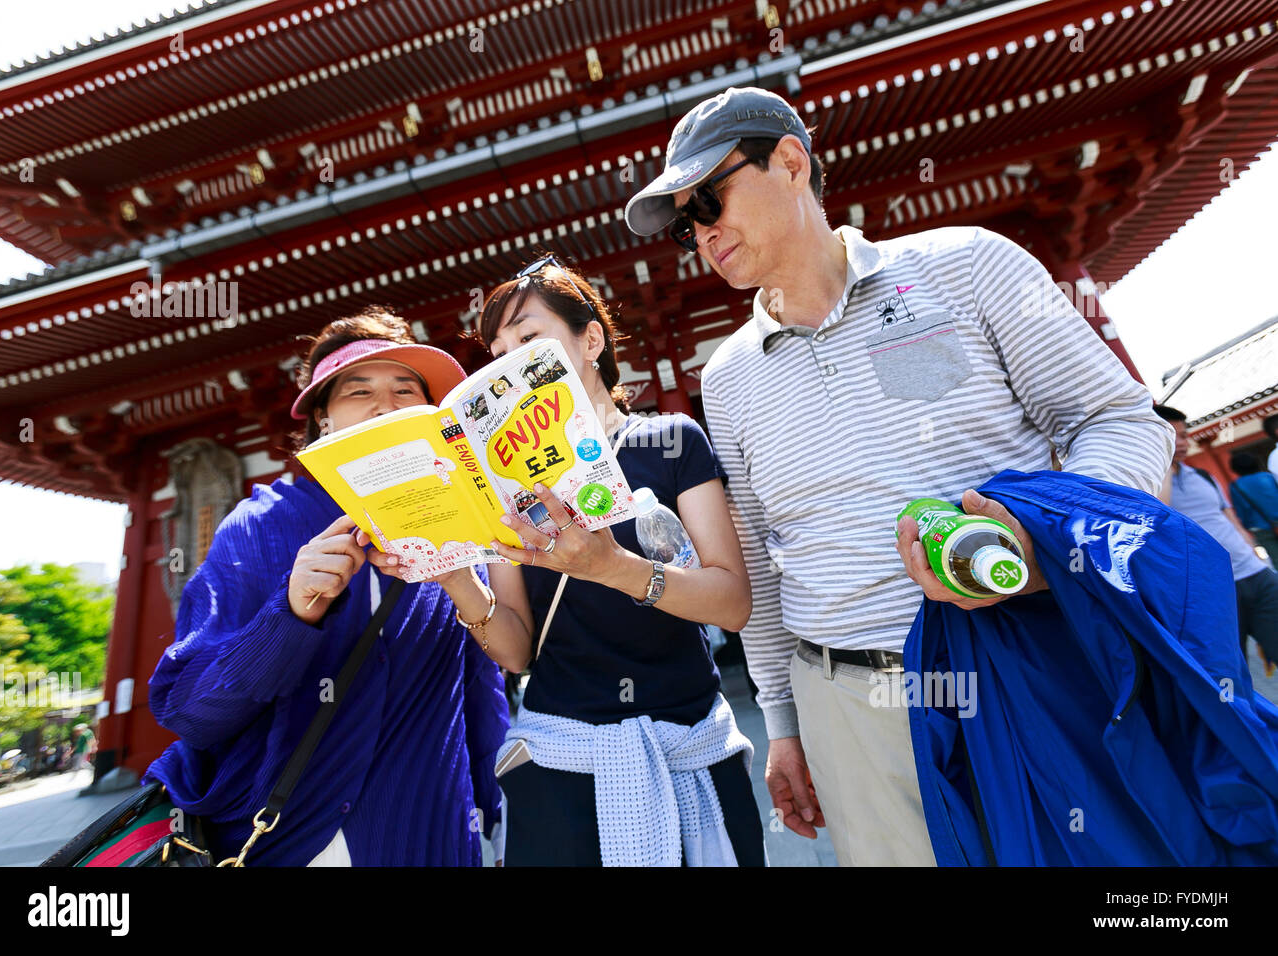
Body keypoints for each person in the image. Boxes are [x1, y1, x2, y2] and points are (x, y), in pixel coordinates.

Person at [624, 86, 1174, 865]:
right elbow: (765, 569)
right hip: (847, 703)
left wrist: (1049, 538)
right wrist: (783, 725)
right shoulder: (731, 377)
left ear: (789, 161)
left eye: (709, 198)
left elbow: (1117, 420)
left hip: (1027, 647)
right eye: (686, 224)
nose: (702, 232)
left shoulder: (969, 265)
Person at [142, 307, 511, 866]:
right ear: (324, 421)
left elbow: (479, 695)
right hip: (283, 839)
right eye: (358, 391)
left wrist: (497, 811)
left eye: (405, 390)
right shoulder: (259, 526)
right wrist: (288, 614)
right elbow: (188, 710)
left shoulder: (460, 528)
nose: (385, 406)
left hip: (431, 833)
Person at [469, 254, 765, 866]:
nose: (510, 363)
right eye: (498, 352)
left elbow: (731, 603)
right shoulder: (502, 482)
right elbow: (517, 651)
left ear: (592, 339)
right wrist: (448, 571)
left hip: (690, 744)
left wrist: (613, 567)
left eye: (529, 339)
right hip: (560, 758)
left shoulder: (671, 440)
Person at [1154, 405, 1278, 665]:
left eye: (1184, 435)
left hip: (1256, 575)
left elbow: (1231, 519)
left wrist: (1257, 557)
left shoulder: (1202, 475)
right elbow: (1159, 513)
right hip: (1213, 589)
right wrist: (1160, 459)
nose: (1182, 442)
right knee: (1232, 670)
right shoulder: (1151, 481)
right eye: (1171, 435)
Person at [1228, 449, 1278, 567]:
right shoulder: (1268, 477)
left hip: (1260, 528)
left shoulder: (1235, 486)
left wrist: (1246, 527)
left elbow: (1241, 510)